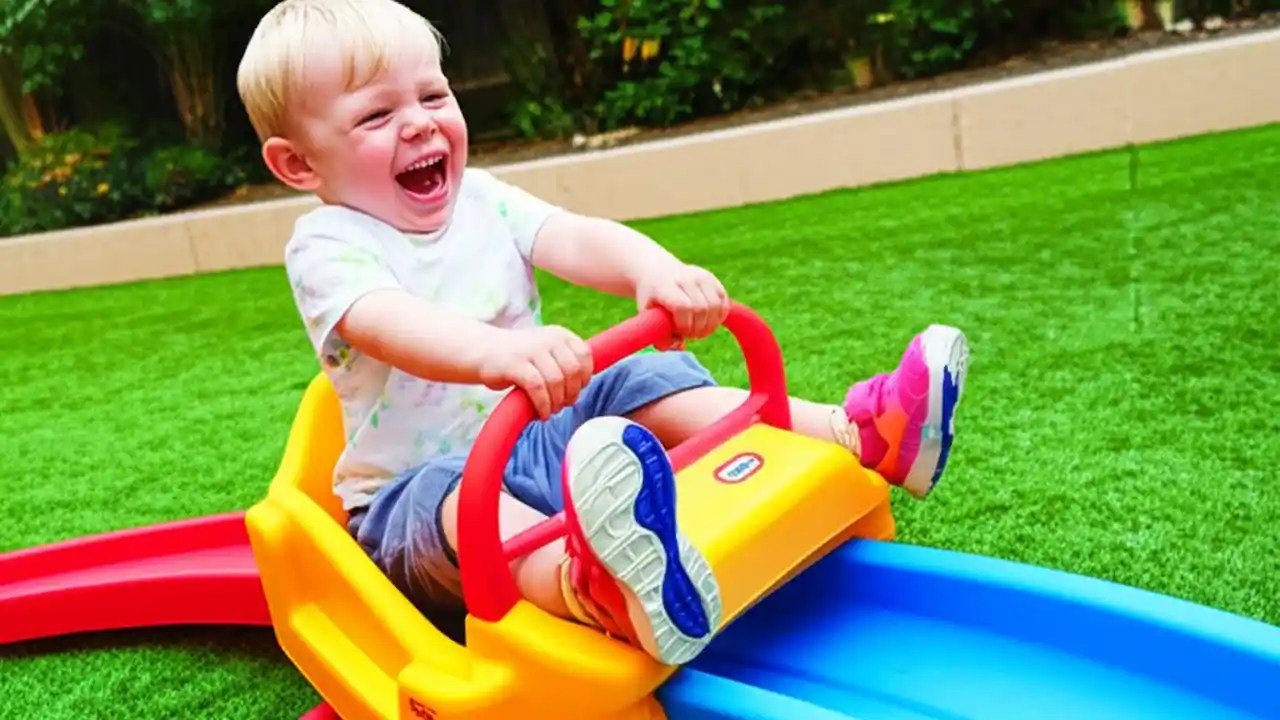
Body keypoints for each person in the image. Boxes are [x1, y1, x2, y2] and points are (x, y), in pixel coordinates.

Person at [236, 0, 970, 666]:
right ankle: (591, 586)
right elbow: (386, 321)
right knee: (449, 492)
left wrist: (654, 272)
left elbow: (574, 237)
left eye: (434, 95)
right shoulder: (327, 246)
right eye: (375, 116)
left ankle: (860, 435)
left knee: (632, 378)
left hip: (543, 439)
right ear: (298, 162)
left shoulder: (481, 199)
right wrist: (495, 353)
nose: (421, 122)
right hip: (415, 503)